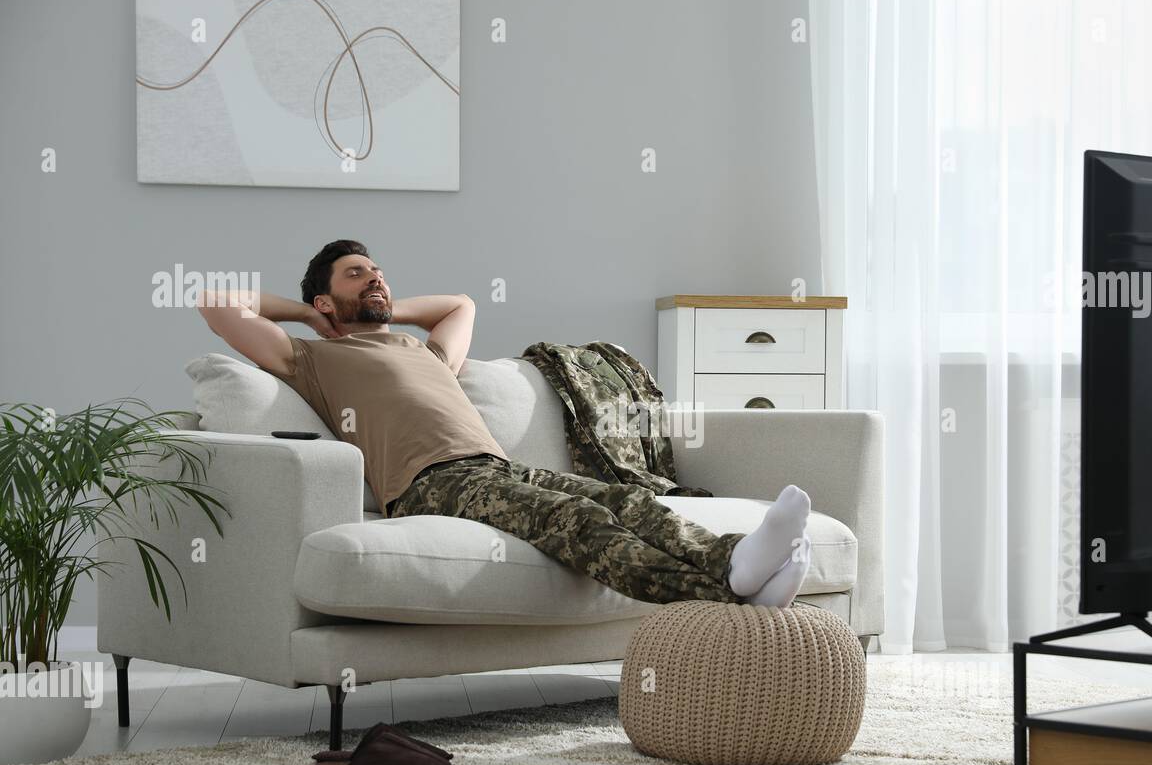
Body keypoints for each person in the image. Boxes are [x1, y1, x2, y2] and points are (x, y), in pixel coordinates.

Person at [196, 240, 811, 607]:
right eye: (357, 273)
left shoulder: (426, 353)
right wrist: (311, 313)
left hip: (495, 470)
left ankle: (737, 562)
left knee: (628, 498)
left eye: (378, 270)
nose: (376, 277)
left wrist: (384, 309)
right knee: (579, 521)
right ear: (326, 300)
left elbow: (461, 304)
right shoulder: (312, 358)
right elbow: (213, 298)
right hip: (429, 484)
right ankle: (727, 591)